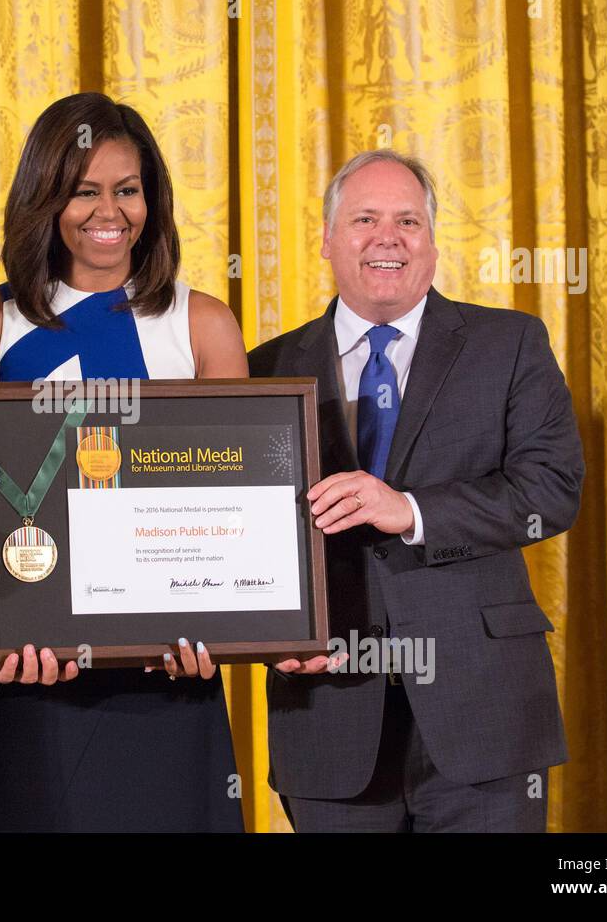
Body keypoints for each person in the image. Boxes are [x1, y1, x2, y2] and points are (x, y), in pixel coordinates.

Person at [0, 92, 248, 831]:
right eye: (84, 190)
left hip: (164, 681)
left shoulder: (202, 323)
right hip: (26, 679)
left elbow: (239, 505)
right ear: (46, 197)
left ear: (152, 200)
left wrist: (222, 632)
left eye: (128, 190)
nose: (111, 211)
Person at [248, 149, 584, 832]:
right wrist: (258, 633)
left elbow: (552, 488)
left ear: (432, 240)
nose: (387, 237)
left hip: (483, 711)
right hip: (327, 710)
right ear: (327, 239)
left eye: (409, 220)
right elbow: (241, 531)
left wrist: (411, 511)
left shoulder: (511, 342)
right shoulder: (266, 367)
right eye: (364, 218)